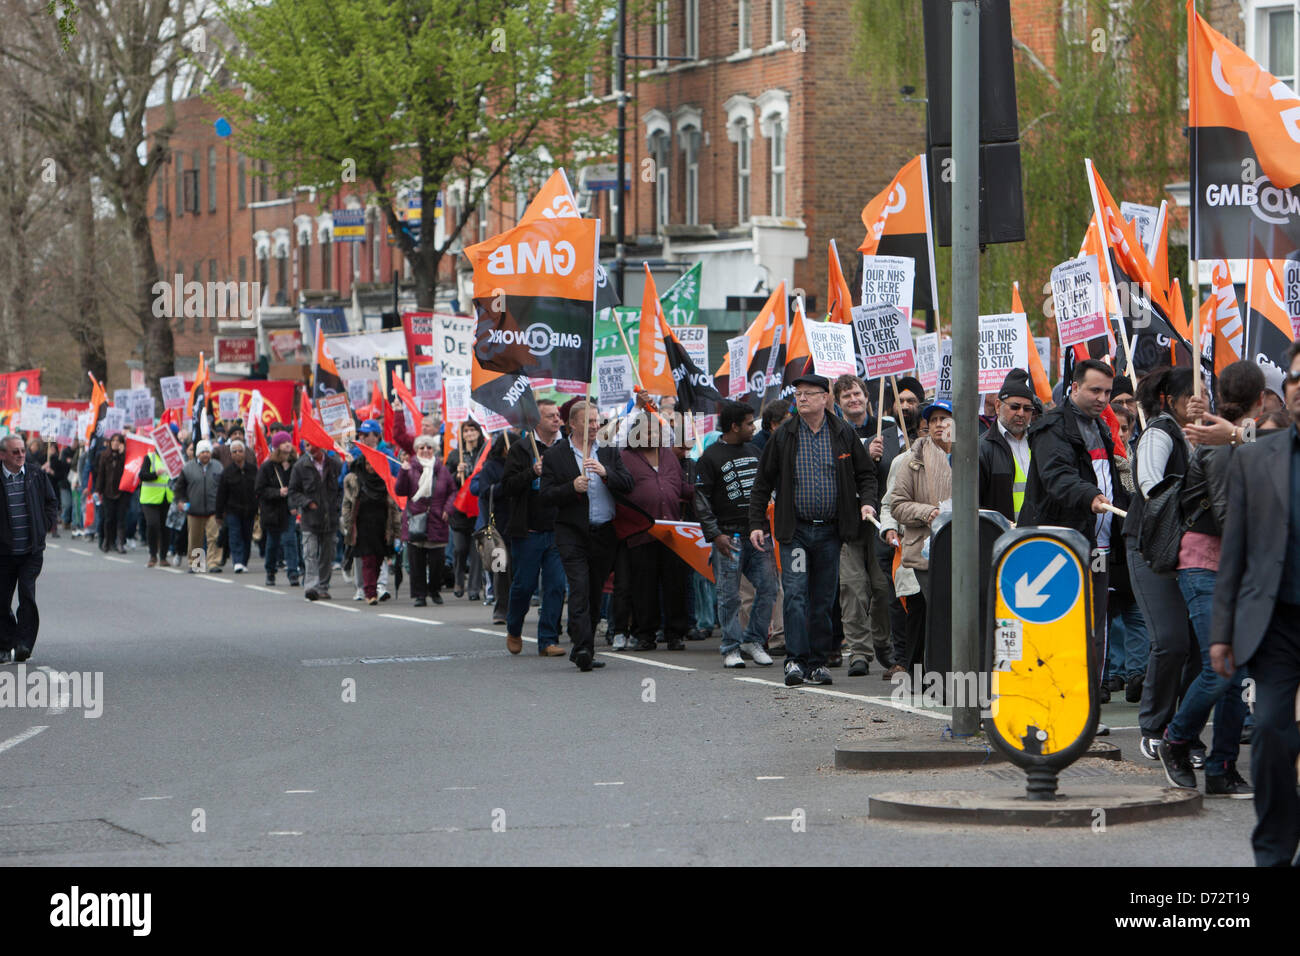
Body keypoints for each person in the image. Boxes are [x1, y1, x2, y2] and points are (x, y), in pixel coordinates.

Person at [1152, 361, 1262, 799]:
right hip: (1206, 565)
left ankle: (1221, 768)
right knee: (1223, 669)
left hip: (1233, 569)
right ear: (1259, 400)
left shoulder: (1244, 440)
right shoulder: (1217, 445)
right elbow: (1227, 513)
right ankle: (1175, 740)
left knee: (1238, 673)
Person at [1211, 340, 1300, 866]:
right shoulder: (1255, 459)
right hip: (1278, 623)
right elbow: (1235, 552)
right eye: (1294, 380)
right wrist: (1222, 631)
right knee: (1269, 730)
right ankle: (1273, 851)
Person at [748, 373, 878, 688]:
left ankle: (818, 663)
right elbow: (762, 483)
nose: (801, 398)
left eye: (808, 393)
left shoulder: (842, 432)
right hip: (796, 534)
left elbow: (866, 475)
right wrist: (755, 523)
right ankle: (795, 660)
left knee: (823, 599)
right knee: (794, 595)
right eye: (798, 393)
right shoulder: (785, 435)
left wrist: (868, 503)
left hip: (830, 534)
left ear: (825, 398)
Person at [1019, 358, 1119, 689]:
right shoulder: (1052, 427)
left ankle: (1086, 702)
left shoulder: (1101, 426)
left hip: (1098, 547)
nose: (1102, 399)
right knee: (1059, 630)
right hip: (1059, 547)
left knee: (1094, 629)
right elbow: (1057, 475)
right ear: (1074, 388)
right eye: (1095, 390)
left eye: (1107, 392)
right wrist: (1088, 495)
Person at [1123, 367, 1199, 760]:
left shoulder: (1202, 433)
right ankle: (1154, 727)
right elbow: (1151, 489)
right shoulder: (1160, 433)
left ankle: (1185, 731)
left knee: (1200, 646)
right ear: (1171, 399)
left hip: (1190, 551)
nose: (1200, 402)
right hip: (1152, 548)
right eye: (1191, 395)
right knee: (1169, 641)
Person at [541, 400, 634, 671]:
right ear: (573, 424)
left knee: (594, 592)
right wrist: (571, 487)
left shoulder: (608, 451)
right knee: (579, 589)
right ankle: (581, 647)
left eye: (597, 421)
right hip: (572, 532)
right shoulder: (557, 455)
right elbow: (545, 496)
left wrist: (607, 474)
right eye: (589, 421)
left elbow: (628, 484)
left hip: (604, 533)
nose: (595, 426)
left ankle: (586, 646)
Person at [696, 400, 775, 669]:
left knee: (768, 588)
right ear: (734, 426)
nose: (754, 427)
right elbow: (701, 500)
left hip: (758, 535)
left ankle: (753, 640)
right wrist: (715, 534)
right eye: (749, 423)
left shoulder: (755, 451)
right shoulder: (709, 457)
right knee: (728, 595)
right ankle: (730, 647)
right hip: (729, 537)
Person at [618, 410, 695, 652]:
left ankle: (675, 633)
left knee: (675, 584)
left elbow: (679, 486)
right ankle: (645, 635)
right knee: (644, 586)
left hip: (672, 532)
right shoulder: (624, 458)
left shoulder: (669, 456)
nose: (652, 434)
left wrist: (701, 491)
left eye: (656, 430)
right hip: (642, 531)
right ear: (635, 434)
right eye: (647, 430)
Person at [888, 400, 954, 671]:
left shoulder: (973, 454)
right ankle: (931, 673)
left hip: (963, 548)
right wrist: (927, 512)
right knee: (933, 612)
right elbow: (897, 504)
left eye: (945, 418)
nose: (939, 424)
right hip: (926, 551)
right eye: (934, 419)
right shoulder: (913, 460)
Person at [502, 399, 567, 657]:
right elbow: (507, 486)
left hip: (557, 529)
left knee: (555, 586)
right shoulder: (521, 449)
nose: (556, 419)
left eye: (558, 415)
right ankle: (514, 627)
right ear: (536, 420)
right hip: (528, 531)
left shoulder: (565, 447)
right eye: (551, 415)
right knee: (524, 586)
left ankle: (547, 639)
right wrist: (532, 472)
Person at [0, 435, 59, 663]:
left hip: (31, 551)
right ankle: (5, 645)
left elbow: (51, 502)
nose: (21, 455)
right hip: (4, 553)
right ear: (3, 455)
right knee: (2, 600)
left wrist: (43, 526)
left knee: (27, 596)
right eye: (15, 452)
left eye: (23, 451)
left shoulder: (36, 474)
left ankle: (24, 644)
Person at [394, 434, 455, 606]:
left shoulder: (441, 469)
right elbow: (400, 491)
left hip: (437, 520)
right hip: (416, 519)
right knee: (416, 562)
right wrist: (403, 473)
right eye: (422, 447)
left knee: (437, 562)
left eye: (429, 447)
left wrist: (447, 509)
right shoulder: (410, 468)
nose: (425, 450)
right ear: (416, 450)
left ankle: (434, 590)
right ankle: (419, 595)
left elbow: (452, 491)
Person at [341, 450, 401, 605]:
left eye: (374, 464)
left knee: (378, 559)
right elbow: (347, 504)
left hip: (382, 526)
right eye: (368, 464)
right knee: (367, 559)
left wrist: (397, 528)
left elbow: (393, 507)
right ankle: (370, 593)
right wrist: (348, 523)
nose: (371, 467)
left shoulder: (385, 481)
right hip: (362, 526)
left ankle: (372, 586)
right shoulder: (354, 480)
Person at [978, 369, 1036, 524]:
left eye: (1027, 408)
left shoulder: (1039, 443)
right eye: (1015, 407)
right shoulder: (982, 449)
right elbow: (973, 506)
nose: (1021, 413)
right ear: (998, 406)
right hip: (1000, 541)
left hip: (1036, 539)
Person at [289, 435, 342, 600]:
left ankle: (323, 587)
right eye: (307, 444)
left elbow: (342, 488)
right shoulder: (300, 466)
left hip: (330, 518)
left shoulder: (335, 465)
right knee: (310, 553)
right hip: (310, 519)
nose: (310, 448)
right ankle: (311, 586)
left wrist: (338, 505)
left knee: (328, 554)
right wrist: (306, 502)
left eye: (313, 444)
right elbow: (293, 492)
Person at [472, 431, 512, 625]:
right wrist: (507, 484)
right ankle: (501, 609)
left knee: (518, 568)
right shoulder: (490, 467)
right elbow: (484, 491)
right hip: (498, 526)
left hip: (518, 523)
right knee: (501, 567)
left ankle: (514, 606)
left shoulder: (520, 465)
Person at [255, 431, 300, 586]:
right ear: (276, 447)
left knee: (290, 540)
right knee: (273, 542)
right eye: (283, 442)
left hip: (290, 509)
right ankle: (270, 572)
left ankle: (293, 573)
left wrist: (296, 501)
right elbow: (260, 489)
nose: (288, 444)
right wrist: (277, 492)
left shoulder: (296, 464)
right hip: (273, 510)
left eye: (289, 441)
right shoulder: (268, 466)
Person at [448, 420, 485, 601]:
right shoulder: (456, 455)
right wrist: (457, 473)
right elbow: (446, 481)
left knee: (477, 550)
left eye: (473, 430)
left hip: (478, 507)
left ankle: (474, 588)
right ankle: (458, 579)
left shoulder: (484, 454)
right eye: (466, 431)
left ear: (479, 432)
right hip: (460, 509)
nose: (469, 434)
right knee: (460, 548)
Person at [175, 438, 225, 571]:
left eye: (207, 452)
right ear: (197, 454)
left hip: (213, 510)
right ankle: (196, 564)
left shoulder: (218, 467)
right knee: (195, 539)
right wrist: (181, 501)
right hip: (194, 510)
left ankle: (213, 563)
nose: (205, 455)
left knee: (213, 537)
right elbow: (180, 488)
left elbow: (224, 488)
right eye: (203, 452)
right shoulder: (188, 468)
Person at [216, 440, 258, 573]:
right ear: (231, 455)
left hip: (249, 510)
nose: (238, 454)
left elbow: (258, 489)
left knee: (247, 535)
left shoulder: (253, 470)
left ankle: (244, 561)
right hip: (232, 510)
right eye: (234, 452)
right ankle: (237, 561)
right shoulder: (227, 472)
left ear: (245, 453)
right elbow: (221, 494)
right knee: (235, 535)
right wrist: (219, 513)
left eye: (240, 451)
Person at [137, 441, 173, 568]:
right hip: (150, 499)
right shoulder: (150, 457)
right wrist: (155, 474)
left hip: (167, 498)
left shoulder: (172, 459)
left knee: (166, 527)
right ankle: (153, 555)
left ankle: (163, 557)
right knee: (153, 524)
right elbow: (142, 475)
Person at [94, 433, 128, 553]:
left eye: (118, 441)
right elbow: (100, 474)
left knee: (121, 518)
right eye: (113, 440)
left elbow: (128, 470)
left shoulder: (125, 456)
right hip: (108, 491)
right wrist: (98, 490)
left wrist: (122, 454)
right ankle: (108, 541)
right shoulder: (104, 455)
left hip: (122, 492)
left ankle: (120, 543)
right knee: (109, 518)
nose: (115, 443)